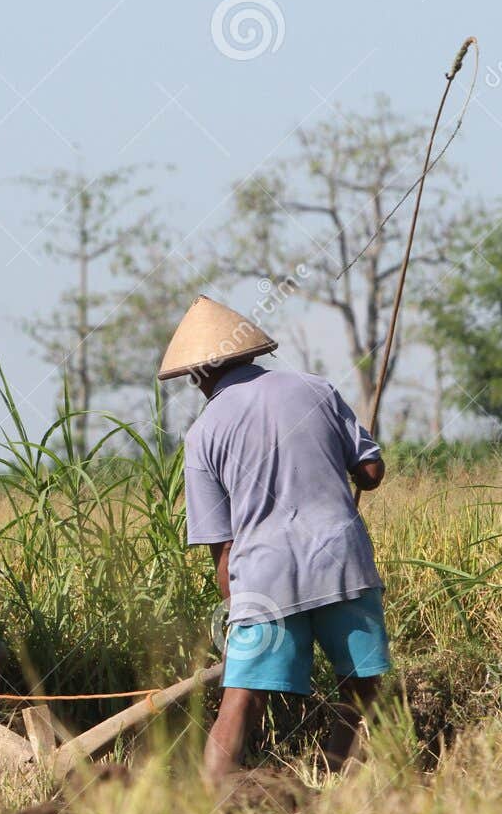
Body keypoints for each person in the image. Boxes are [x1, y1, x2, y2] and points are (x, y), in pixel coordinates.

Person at [158, 295, 390, 785]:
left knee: (241, 697)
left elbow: (221, 548)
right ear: (250, 353)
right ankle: (340, 783)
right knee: (363, 689)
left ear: (199, 374)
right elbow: (370, 472)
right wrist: (357, 461)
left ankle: (209, 800)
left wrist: (236, 612)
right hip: (340, 563)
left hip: (264, 579)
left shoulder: (203, 435)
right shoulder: (318, 389)